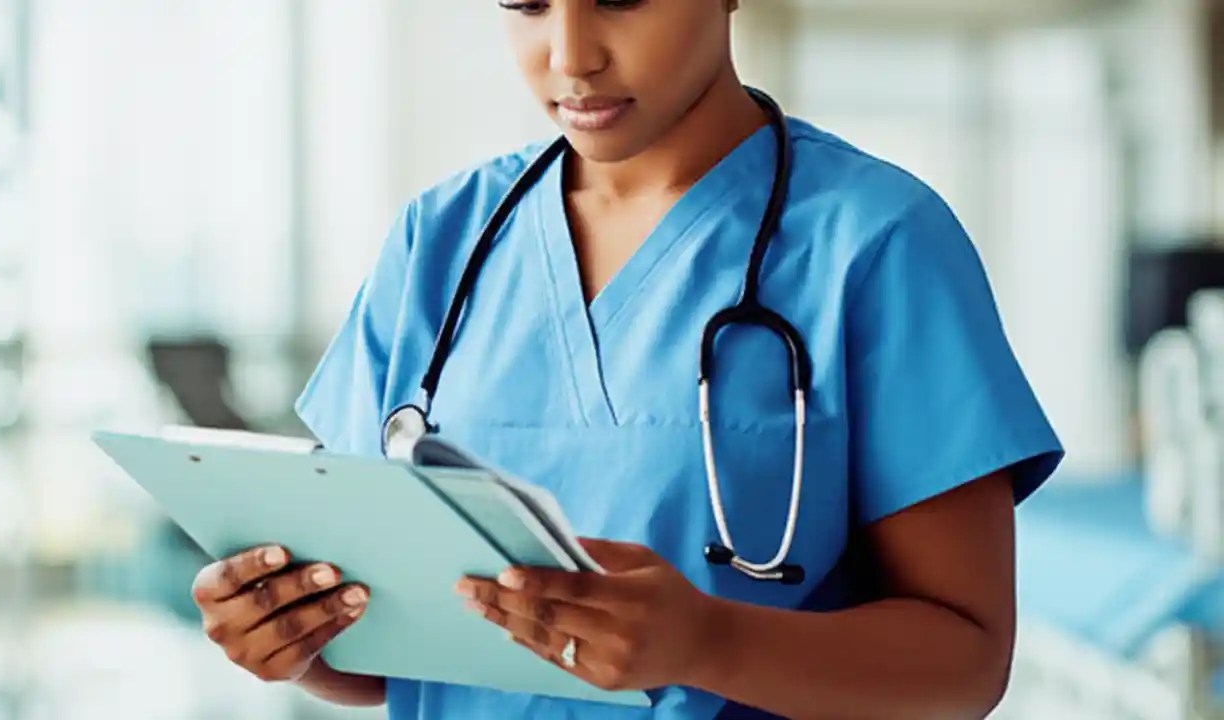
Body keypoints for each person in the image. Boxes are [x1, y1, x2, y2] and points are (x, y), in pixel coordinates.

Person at [190, 1, 1064, 718]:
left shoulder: (875, 242)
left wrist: (711, 643)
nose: (571, 56)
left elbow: (965, 663)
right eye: (526, 5)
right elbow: (391, 660)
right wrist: (295, 640)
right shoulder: (439, 242)